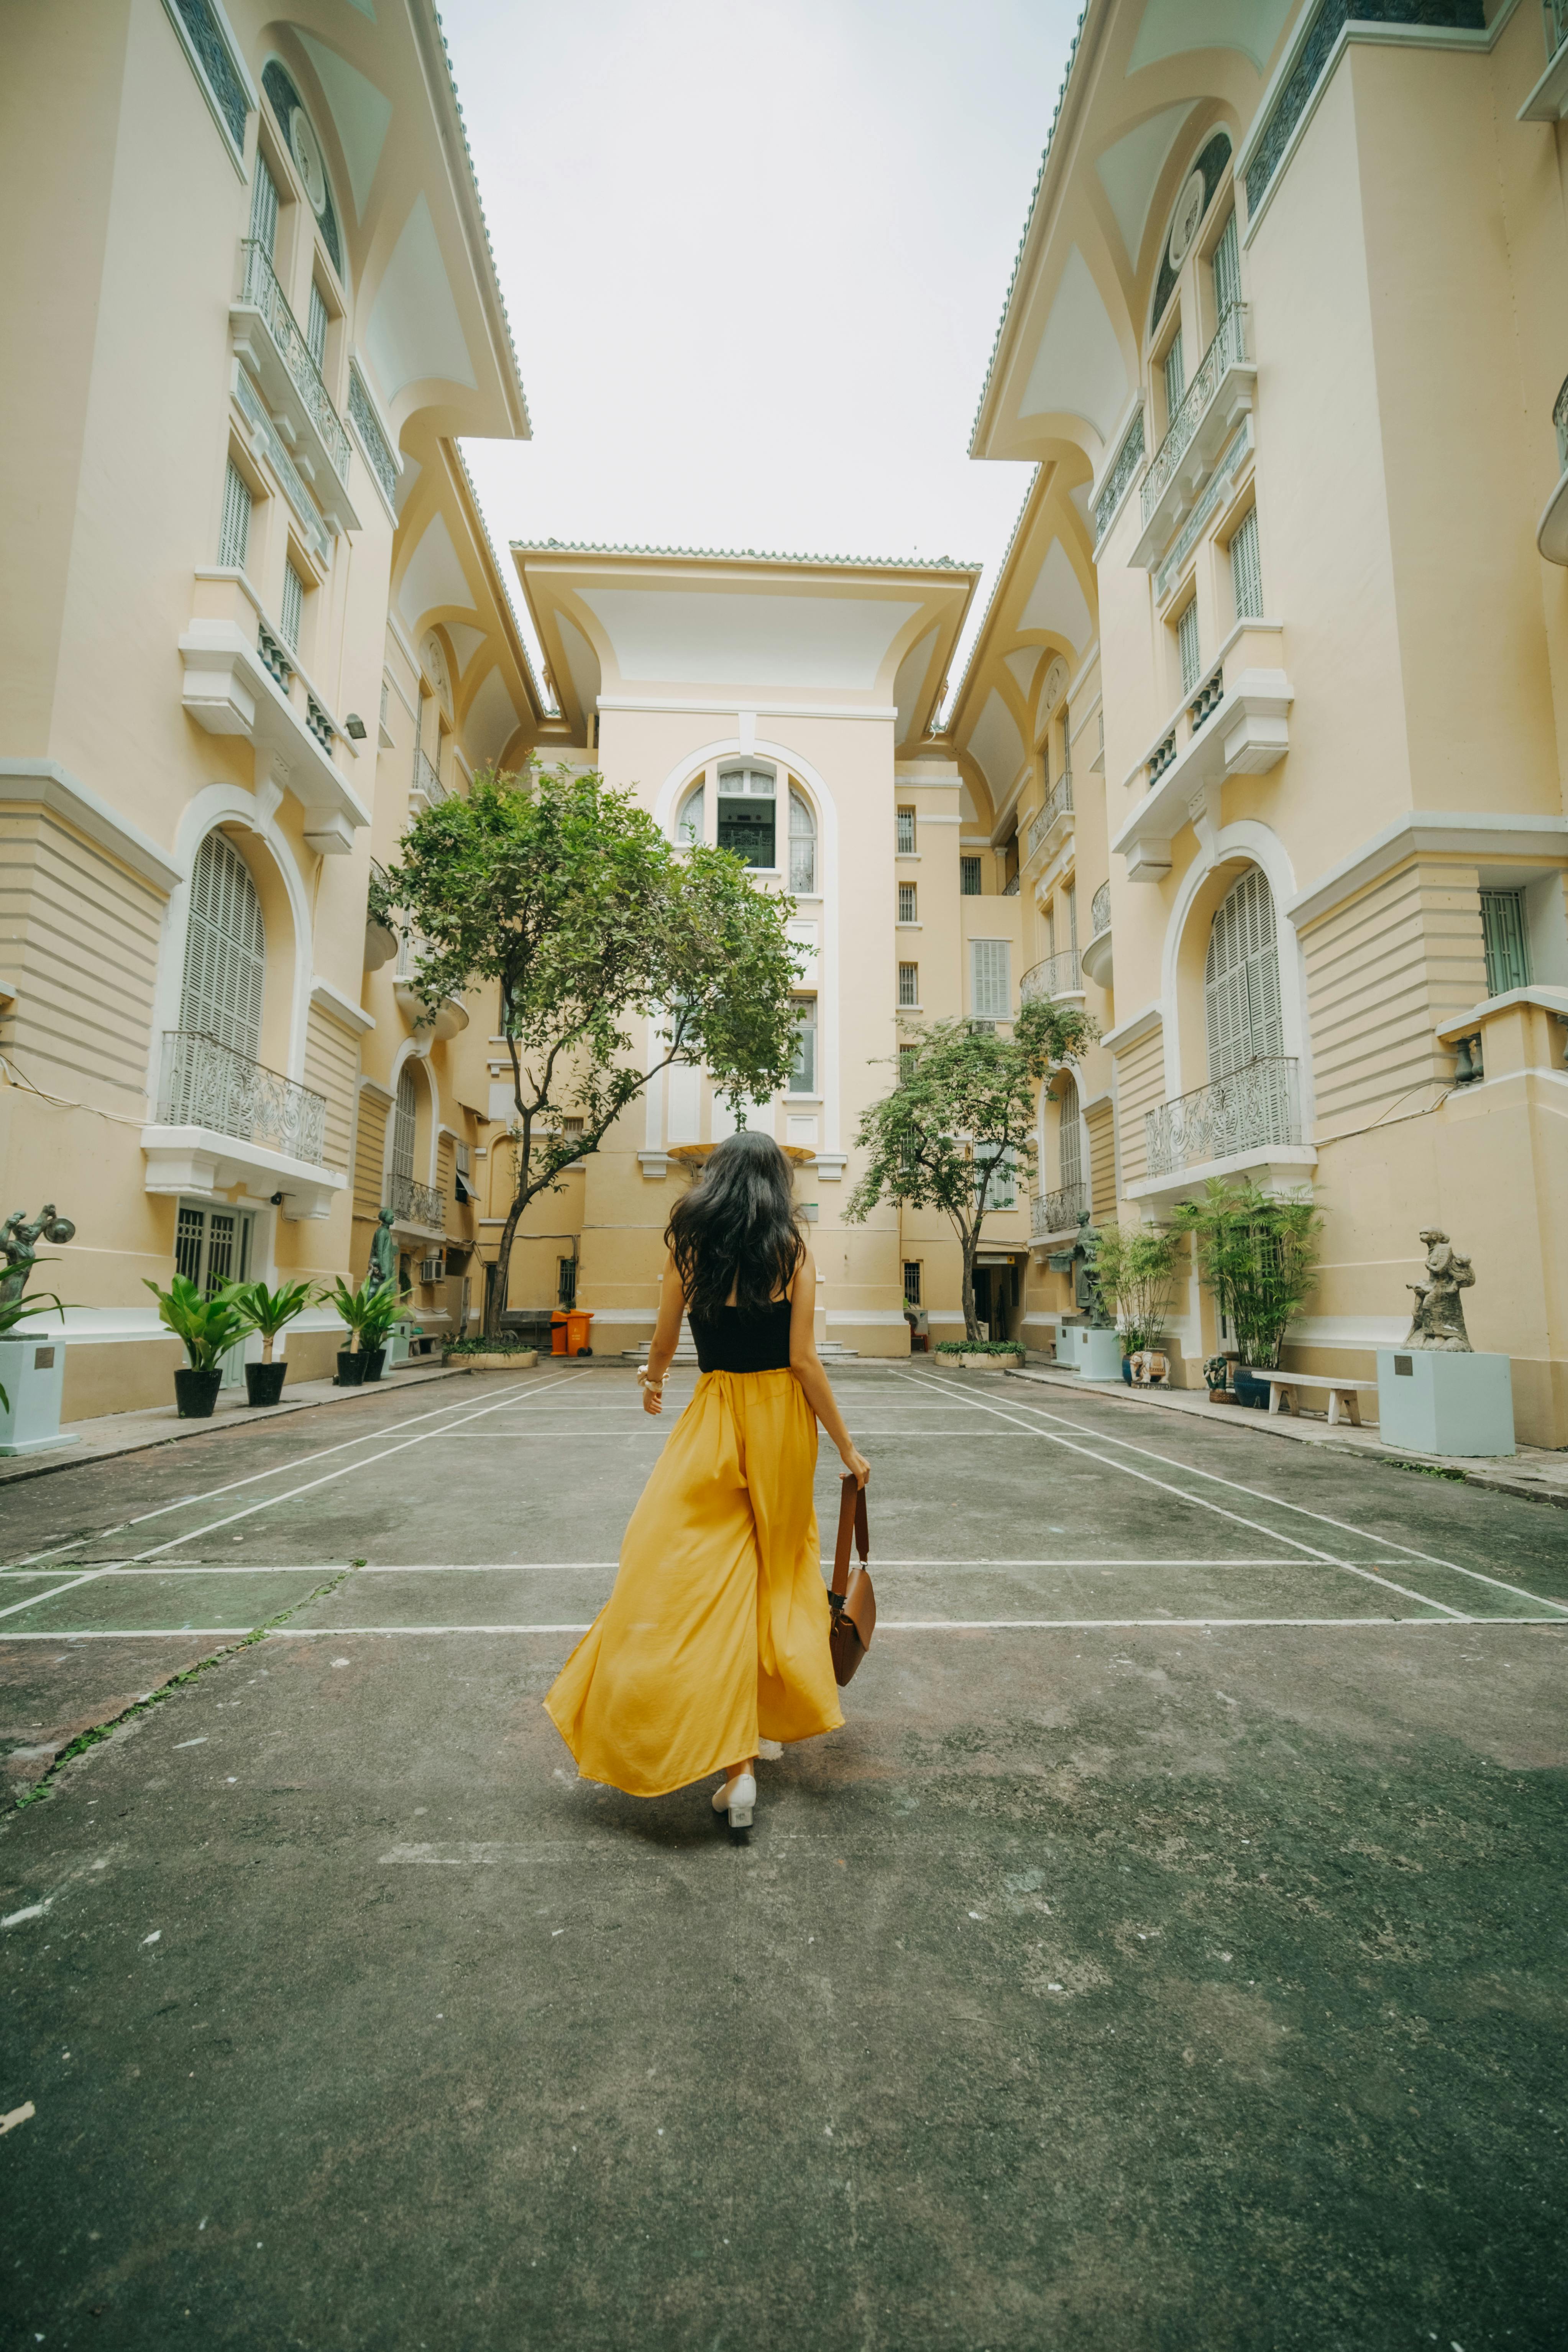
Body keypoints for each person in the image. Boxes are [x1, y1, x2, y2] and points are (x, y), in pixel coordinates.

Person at [544, 1129, 870, 1835]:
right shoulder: (795, 1249)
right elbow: (806, 1362)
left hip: (717, 1413)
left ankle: (737, 1756)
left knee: (684, 1568)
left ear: (717, 1180)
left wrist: (652, 1379)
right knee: (777, 1572)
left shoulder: (689, 1247)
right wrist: (847, 1446)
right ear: (776, 1184)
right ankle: (757, 1726)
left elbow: (662, 1342)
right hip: (784, 1423)